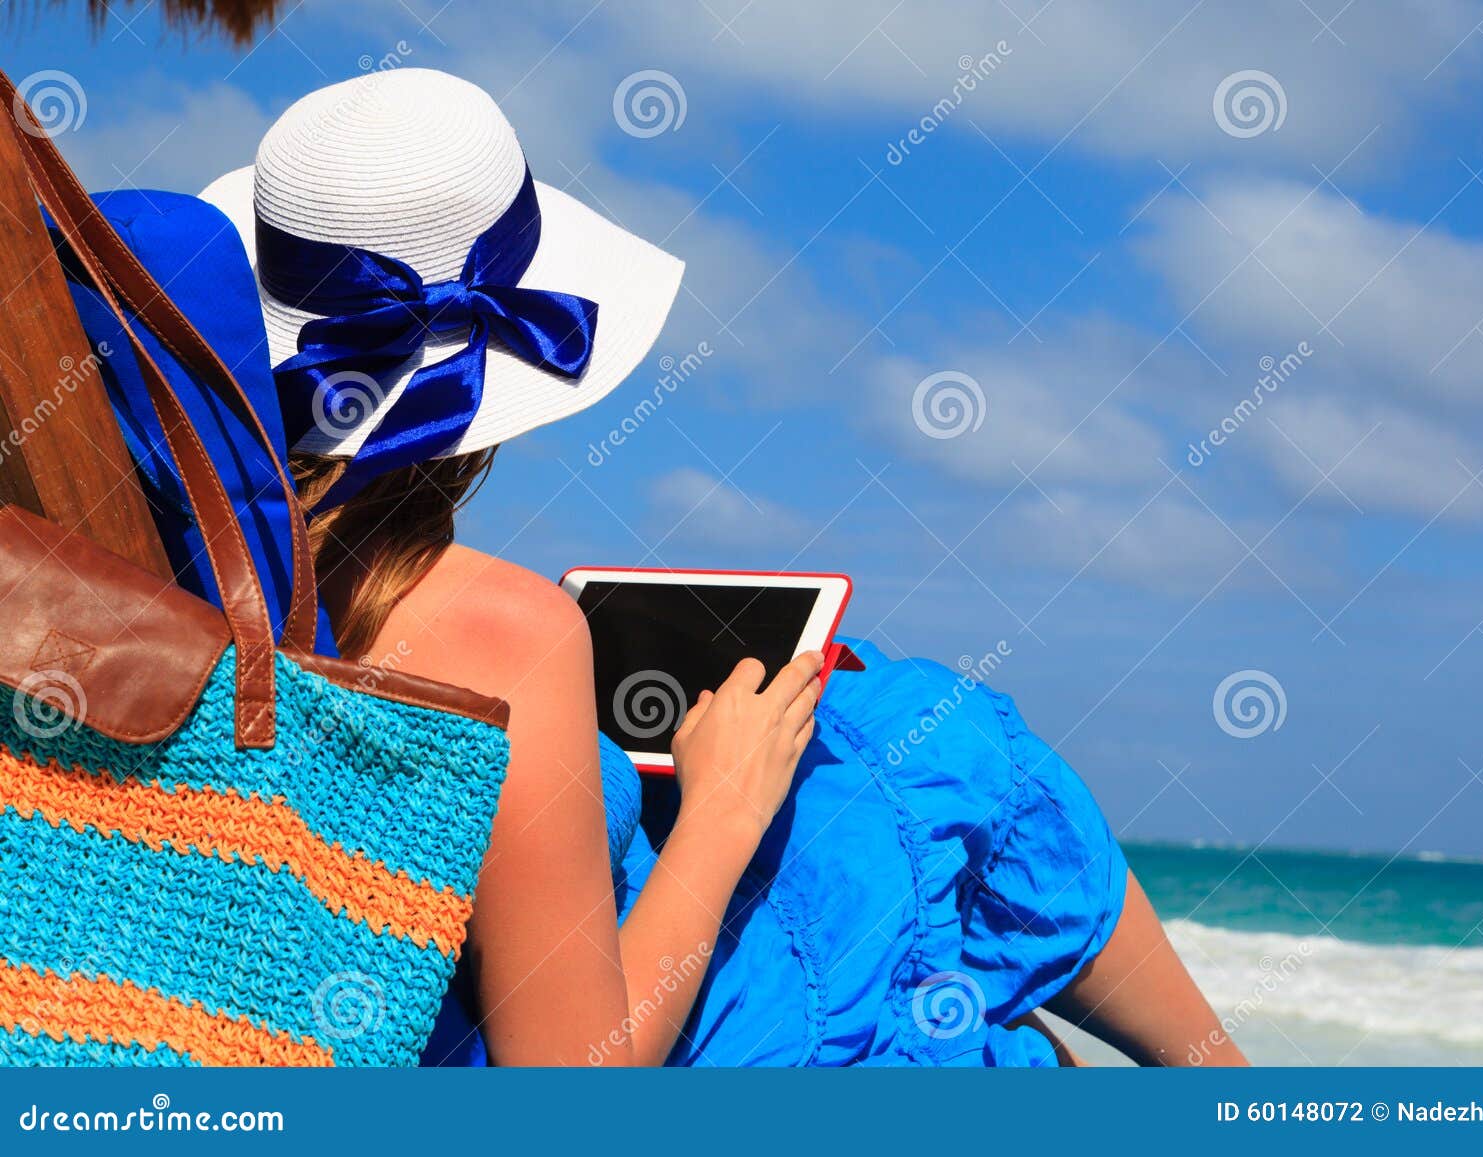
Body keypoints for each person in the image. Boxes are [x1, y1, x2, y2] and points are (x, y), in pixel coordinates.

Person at [200, 67, 1244, 1068]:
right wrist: (722, 812)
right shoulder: (507, 631)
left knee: (889, 715)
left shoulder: (169, 556)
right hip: (589, 1033)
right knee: (923, 741)